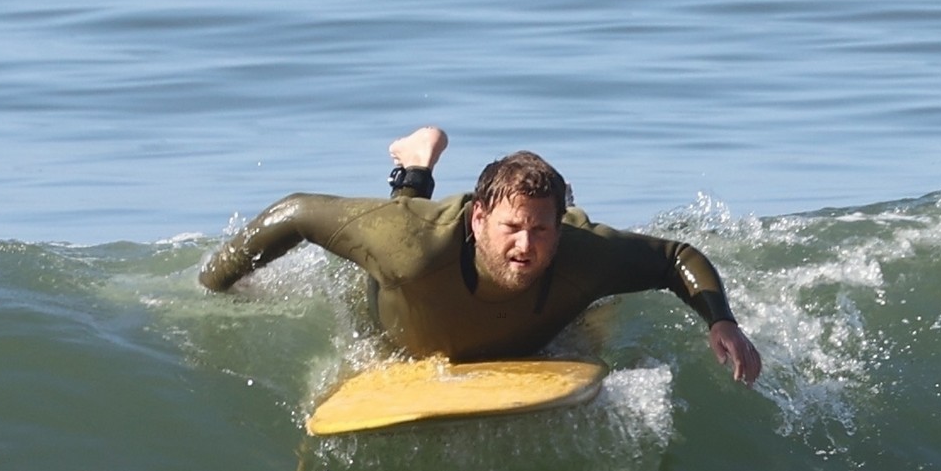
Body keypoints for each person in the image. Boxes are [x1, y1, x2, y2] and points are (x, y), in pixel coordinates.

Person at [200, 127, 762, 385]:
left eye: (541, 230)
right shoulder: (412, 250)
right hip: (412, 269)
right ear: (479, 220)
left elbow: (674, 257)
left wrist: (722, 322)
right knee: (399, 235)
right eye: (513, 228)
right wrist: (217, 283)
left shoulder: (579, 254)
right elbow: (297, 211)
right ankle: (416, 165)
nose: (526, 245)